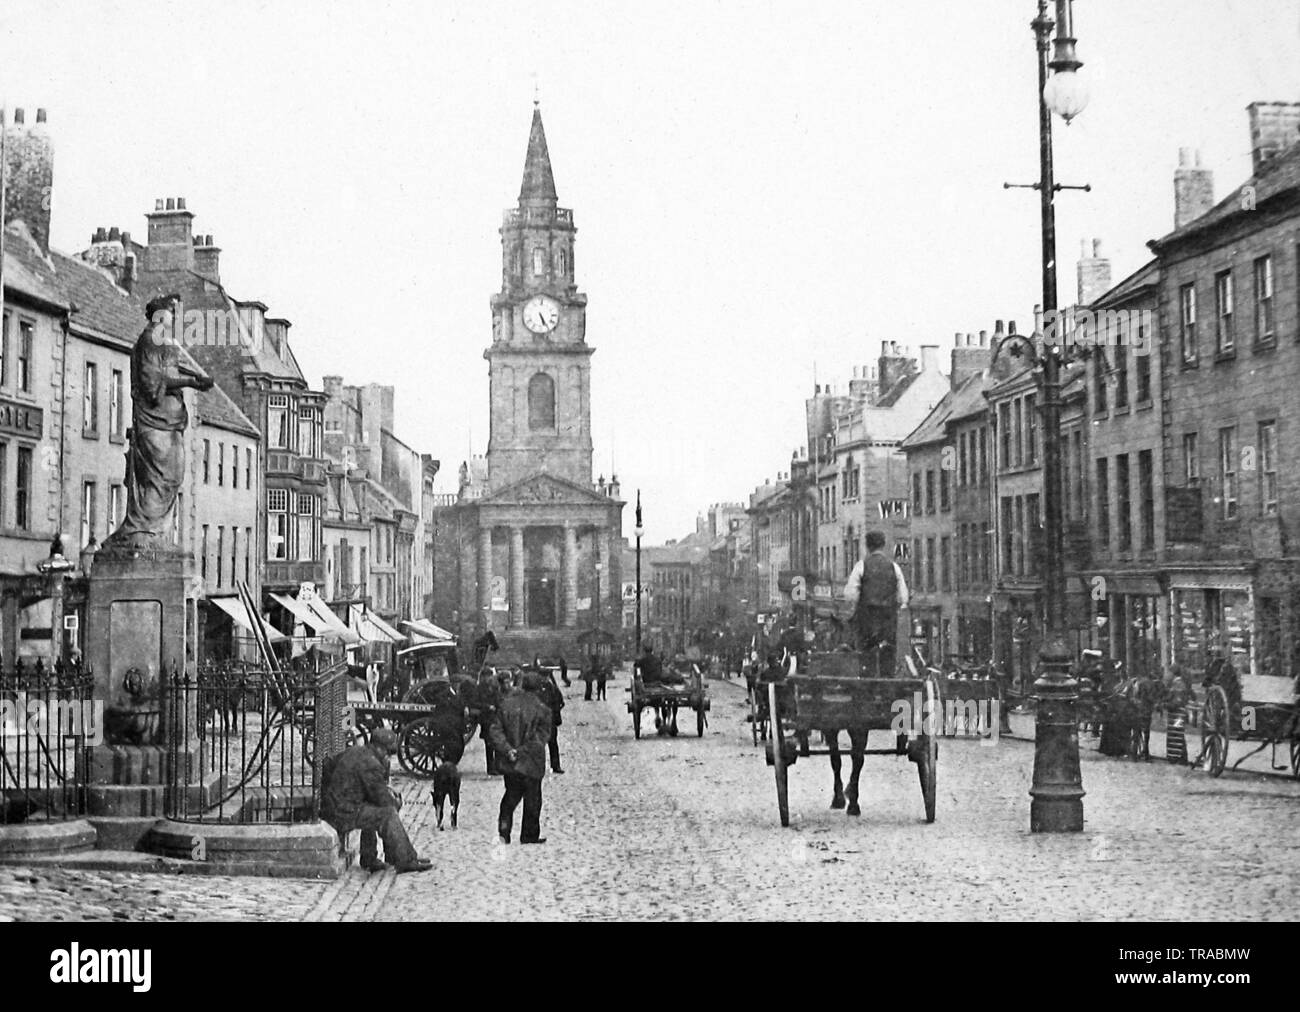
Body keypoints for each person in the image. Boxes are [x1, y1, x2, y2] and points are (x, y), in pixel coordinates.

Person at [105, 294, 214, 549]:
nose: (173, 321)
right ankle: (144, 532)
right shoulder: (149, 341)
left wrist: (194, 378)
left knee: (173, 475)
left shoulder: (163, 342)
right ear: (159, 317)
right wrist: (190, 382)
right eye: (170, 316)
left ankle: (155, 534)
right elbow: (152, 382)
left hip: (169, 421)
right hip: (153, 421)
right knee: (160, 476)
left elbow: (171, 371)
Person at [321, 728, 431, 874]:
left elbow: (328, 766)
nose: (387, 756)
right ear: (378, 747)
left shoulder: (354, 751)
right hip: (344, 814)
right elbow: (383, 800)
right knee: (388, 814)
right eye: (387, 752)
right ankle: (405, 860)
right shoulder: (371, 764)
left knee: (372, 808)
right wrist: (395, 800)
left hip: (333, 808)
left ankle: (371, 858)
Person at [489, 673, 553, 844]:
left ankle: (504, 833)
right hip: (532, 762)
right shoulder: (543, 710)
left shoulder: (506, 706)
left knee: (510, 798)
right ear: (539, 688)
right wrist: (522, 751)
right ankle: (529, 835)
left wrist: (509, 750)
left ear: (523, 686)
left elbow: (495, 731)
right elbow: (541, 738)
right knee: (533, 801)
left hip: (512, 763)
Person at [842, 531, 909, 677]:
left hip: (867, 619)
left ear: (867, 546)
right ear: (883, 545)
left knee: (866, 655)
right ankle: (888, 684)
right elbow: (903, 597)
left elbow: (850, 595)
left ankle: (868, 684)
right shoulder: (894, 567)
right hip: (888, 620)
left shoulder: (861, 566)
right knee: (888, 653)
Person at [540, 667, 565, 773]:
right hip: (540, 721)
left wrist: (555, 711)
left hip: (550, 720)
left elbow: (561, 702)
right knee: (539, 744)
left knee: (553, 743)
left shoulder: (553, 689)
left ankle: (556, 766)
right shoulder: (537, 688)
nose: (545, 679)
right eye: (543, 677)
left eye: (546, 677)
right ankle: (540, 766)